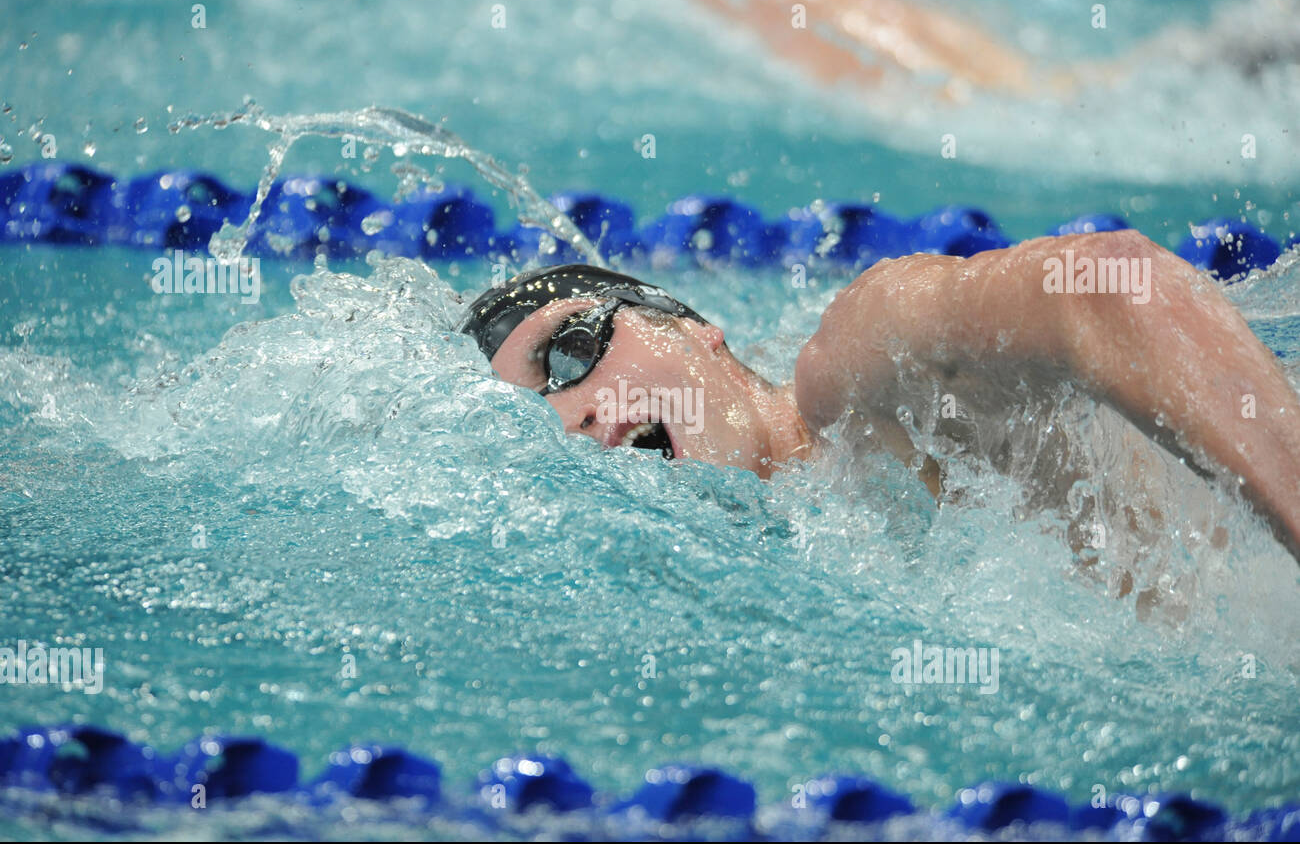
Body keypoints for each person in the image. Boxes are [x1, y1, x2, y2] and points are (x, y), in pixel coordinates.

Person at [461, 232, 1300, 567]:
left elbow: (1115, 285)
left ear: (691, 327)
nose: (577, 418)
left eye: (570, 353)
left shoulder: (851, 373)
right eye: (548, 427)